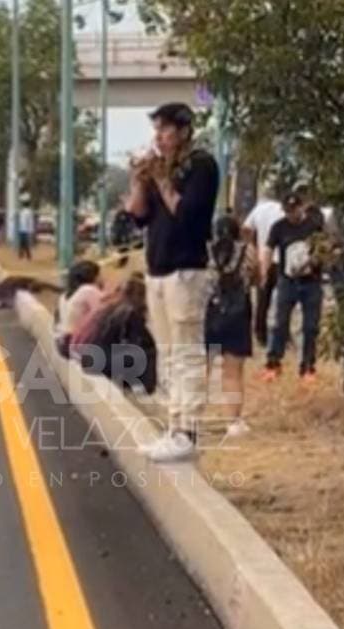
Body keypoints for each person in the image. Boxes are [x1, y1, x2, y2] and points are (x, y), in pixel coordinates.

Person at [123, 101, 219, 462]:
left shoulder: (200, 165)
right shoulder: (160, 168)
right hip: (157, 269)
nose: (159, 137)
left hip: (186, 269)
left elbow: (188, 214)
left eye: (165, 130)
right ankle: (172, 425)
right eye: (156, 130)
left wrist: (163, 179)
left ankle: (188, 431)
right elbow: (138, 215)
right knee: (166, 352)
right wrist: (139, 179)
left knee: (187, 351)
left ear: (183, 131)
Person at [262, 193, 324, 382]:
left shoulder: (313, 226)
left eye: (295, 209)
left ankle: (307, 366)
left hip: (310, 281)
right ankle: (273, 362)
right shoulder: (279, 227)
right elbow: (268, 248)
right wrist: (265, 272)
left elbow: (323, 248)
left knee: (310, 327)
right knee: (279, 322)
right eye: (288, 211)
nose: (292, 214)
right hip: (287, 281)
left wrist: (317, 260)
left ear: (301, 207)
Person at [205, 215, 257, 438]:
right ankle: (233, 422)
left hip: (212, 312)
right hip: (238, 314)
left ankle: (189, 417)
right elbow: (257, 279)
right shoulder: (248, 251)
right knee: (233, 371)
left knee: (202, 367)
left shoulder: (205, 251)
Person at [70, 274, 157, 395]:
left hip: (86, 354)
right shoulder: (130, 312)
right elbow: (141, 343)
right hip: (96, 358)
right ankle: (145, 388)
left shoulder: (111, 307)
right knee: (149, 353)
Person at [243, 182, 285, 347]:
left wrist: (252, 246)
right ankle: (282, 334)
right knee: (283, 301)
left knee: (263, 299)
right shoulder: (281, 209)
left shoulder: (258, 210)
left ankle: (260, 334)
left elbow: (246, 228)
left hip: (263, 260)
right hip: (281, 259)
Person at [55, 260, 105, 353]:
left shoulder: (65, 295)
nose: (102, 278)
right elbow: (104, 315)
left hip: (63, 341)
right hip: (76, 342)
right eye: (100, 274)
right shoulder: (89, 290)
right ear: (94, 276)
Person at [16, 195, 35, 260]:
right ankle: (22, 255)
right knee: (22, 243)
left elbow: (30, 221)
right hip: (22, 229)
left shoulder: (28, 212)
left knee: (25, 243)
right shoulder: (23, 211)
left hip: (25, 230)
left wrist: (30, 230)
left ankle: (27, 256)